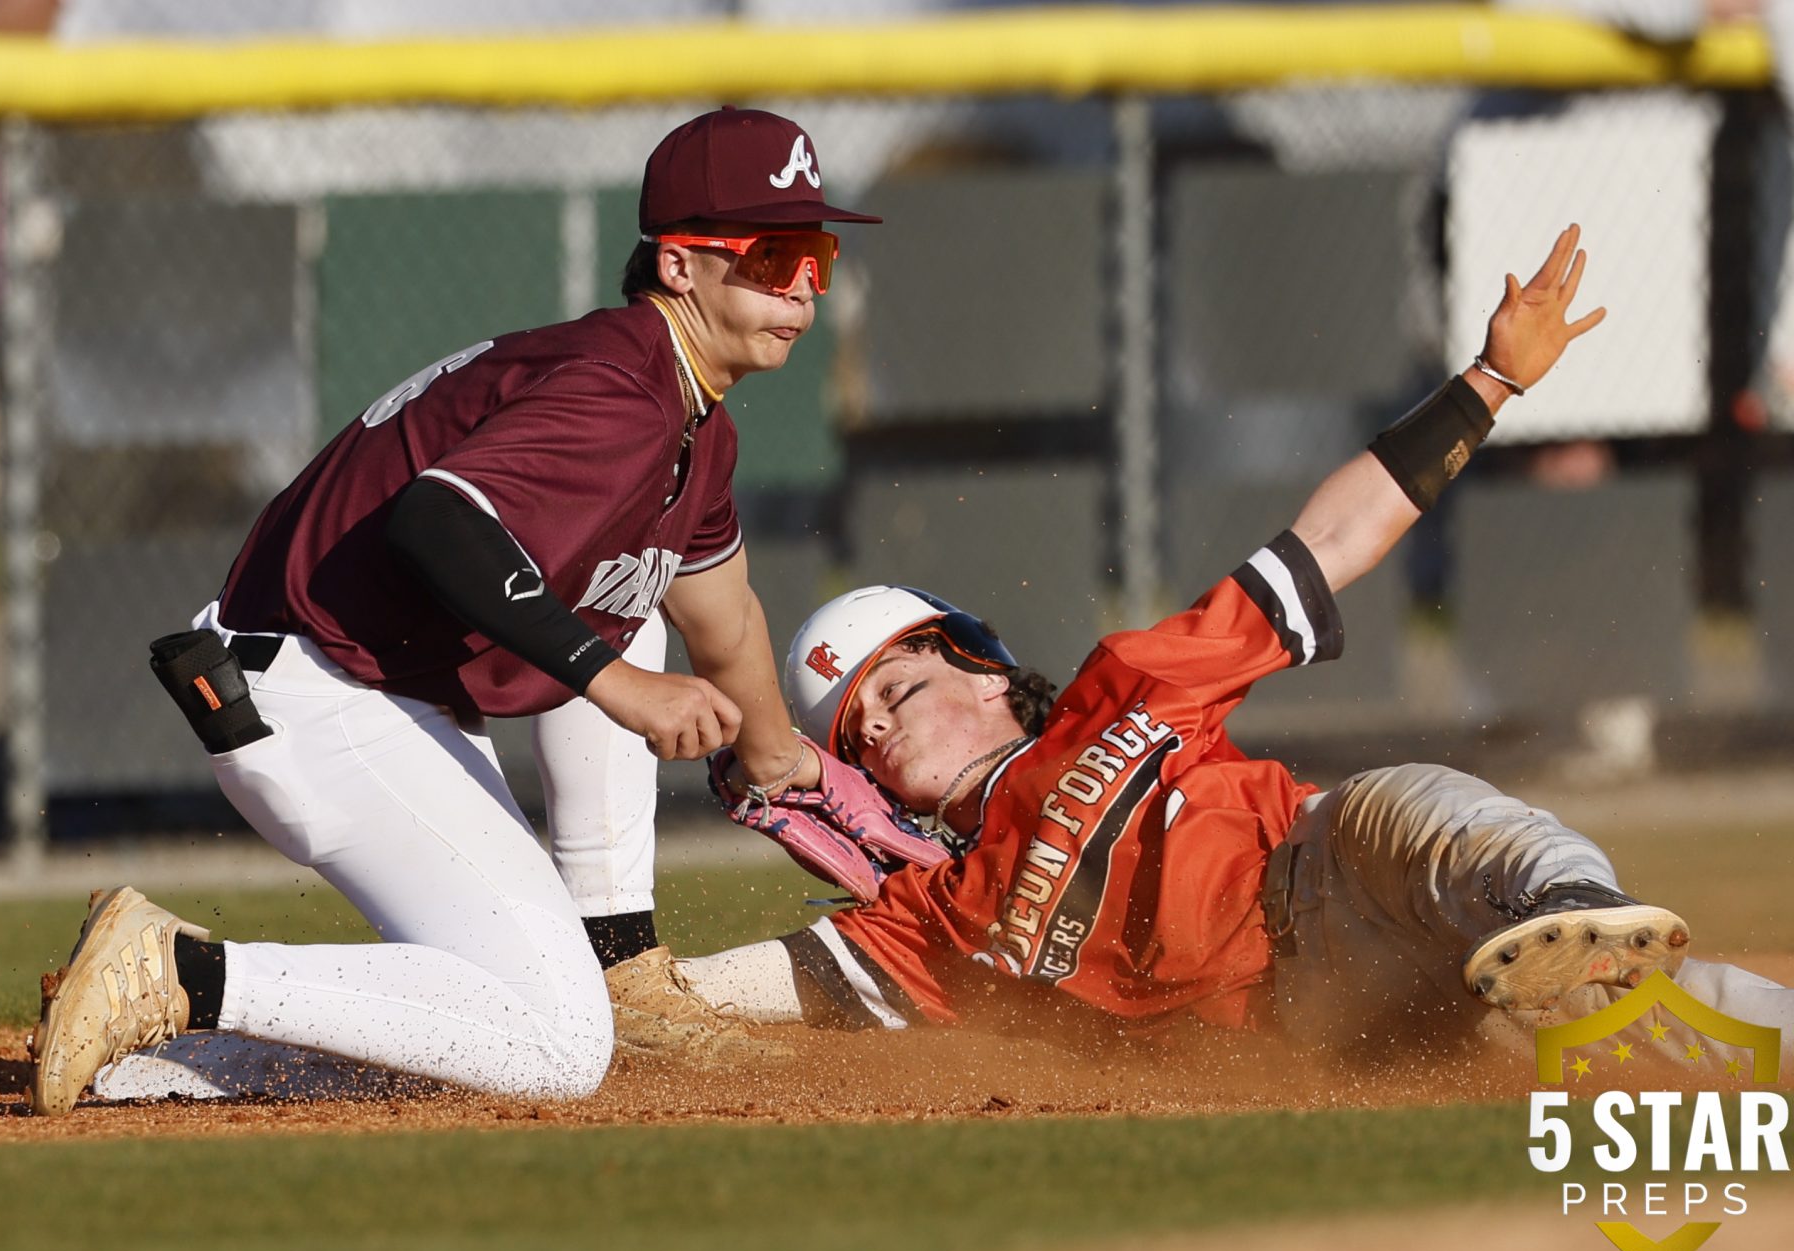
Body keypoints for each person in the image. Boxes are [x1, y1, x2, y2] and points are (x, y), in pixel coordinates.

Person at [621, 224, 1794, 1067]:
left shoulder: (1124, 684)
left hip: (1327, 873)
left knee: (1425, 808)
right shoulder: (934, 911)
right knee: (1566, 1043)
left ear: (978, 664)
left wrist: (1487, 382)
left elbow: (1330, 540)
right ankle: (1588, 975)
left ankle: (1579, 909)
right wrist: (622, 988)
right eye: (854, 730)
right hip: (1310, 1025)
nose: (874, 722)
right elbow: (738, 985)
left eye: (895, 680)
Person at [27, 107, 879, 1116]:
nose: (800, 289)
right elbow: (437, 522)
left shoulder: (688, 418)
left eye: (816, 259)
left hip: (369, 691)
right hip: (318, 697)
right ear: (680, 265)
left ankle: (156, 1060)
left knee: (627, 611)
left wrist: (782, 767)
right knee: (559, 1045)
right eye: (771, 258)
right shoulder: (619, 393)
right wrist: (618, 687)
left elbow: (722, 616)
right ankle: (184, 970)